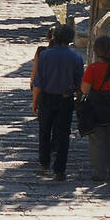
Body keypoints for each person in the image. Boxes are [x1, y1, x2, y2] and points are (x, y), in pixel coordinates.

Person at [33, 21, 84, 181]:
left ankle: (44, 163)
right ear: (70, 39)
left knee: (44, 131)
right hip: (66, 99)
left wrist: (35, 102)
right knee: (63, 134)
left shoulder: (45, 55)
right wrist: (78, 99)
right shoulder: (76, 58)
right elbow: (79, 84)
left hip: (47, 97)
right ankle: (60, 169)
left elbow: (38, 82)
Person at [80, 35, 110, 182]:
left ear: (95, 51)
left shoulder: (92, 69)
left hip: (96, 110)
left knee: (97, 141)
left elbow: (85, 90)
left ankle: (100, 173)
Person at [30, 25, 55, 115]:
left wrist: (34, 101)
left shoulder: (41, 51)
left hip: (44, 93)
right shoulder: (68, 54)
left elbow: (35, 73)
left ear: (47, 37)